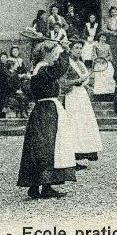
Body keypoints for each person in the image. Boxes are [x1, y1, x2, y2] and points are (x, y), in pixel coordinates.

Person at [16, 41, 76, 199]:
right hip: (47, 111)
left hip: (44, 109)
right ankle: (46, 186)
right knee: (48, 146)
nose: (56, 58)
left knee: (39, 146)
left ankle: (36, 186)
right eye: (55, 54)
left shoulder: (38, 69)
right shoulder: (43, 69)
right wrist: (64, 51)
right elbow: (61, 68)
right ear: (47, 54)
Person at [61, 38, 102, 168]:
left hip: (82, 97)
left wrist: (85, 84)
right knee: (74, 124)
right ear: (71, 49)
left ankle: (82, 154)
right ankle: (72, 157)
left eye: (80, 48)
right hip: (72, 96)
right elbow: (63, 81)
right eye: (76, 48)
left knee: (84, 124)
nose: (78, 51)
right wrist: (78, 80)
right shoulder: (67, 63)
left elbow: (84, 80)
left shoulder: (81, 63)